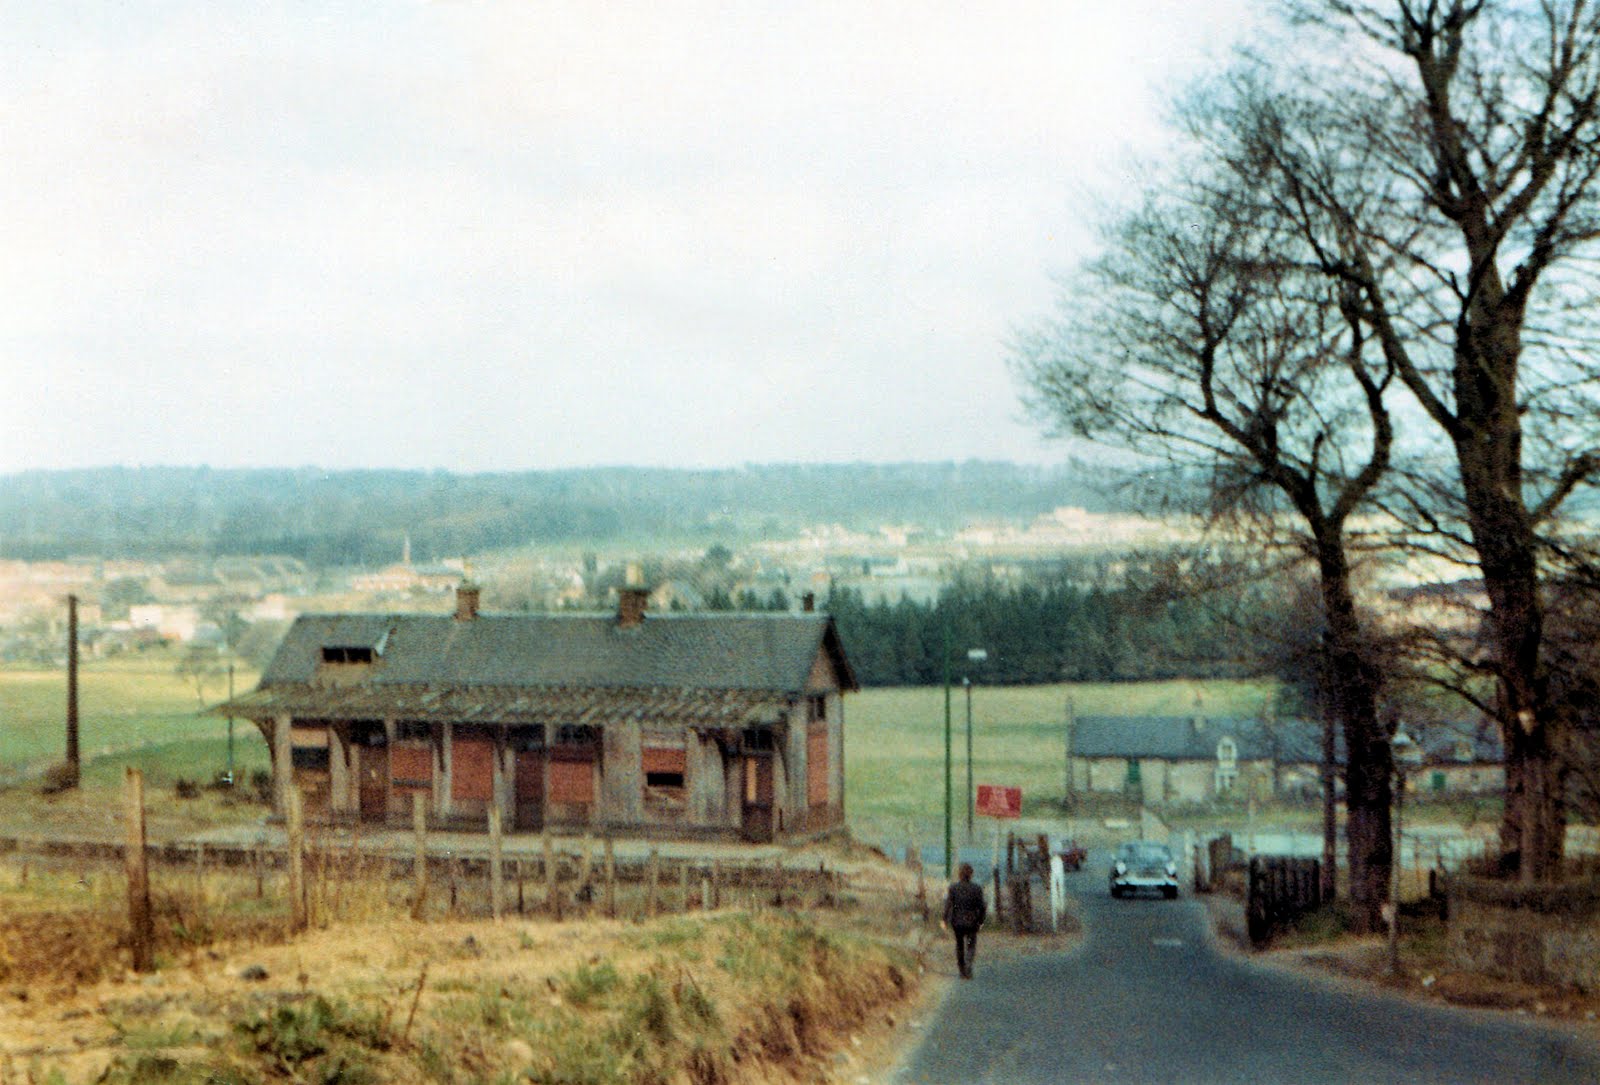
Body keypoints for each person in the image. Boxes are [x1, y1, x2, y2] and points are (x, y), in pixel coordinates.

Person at [942, 861, 987, 979]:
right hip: (972, 922)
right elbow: (982, 907)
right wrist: (981, 921)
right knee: (971, 945)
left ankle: (962, 970)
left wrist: (944, 920)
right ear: (971, 874)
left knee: (960, 945)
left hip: (957, 921)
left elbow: (948, 905)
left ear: (959, 874)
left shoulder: (953, 888)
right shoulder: (977, 889)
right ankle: (968, 966)